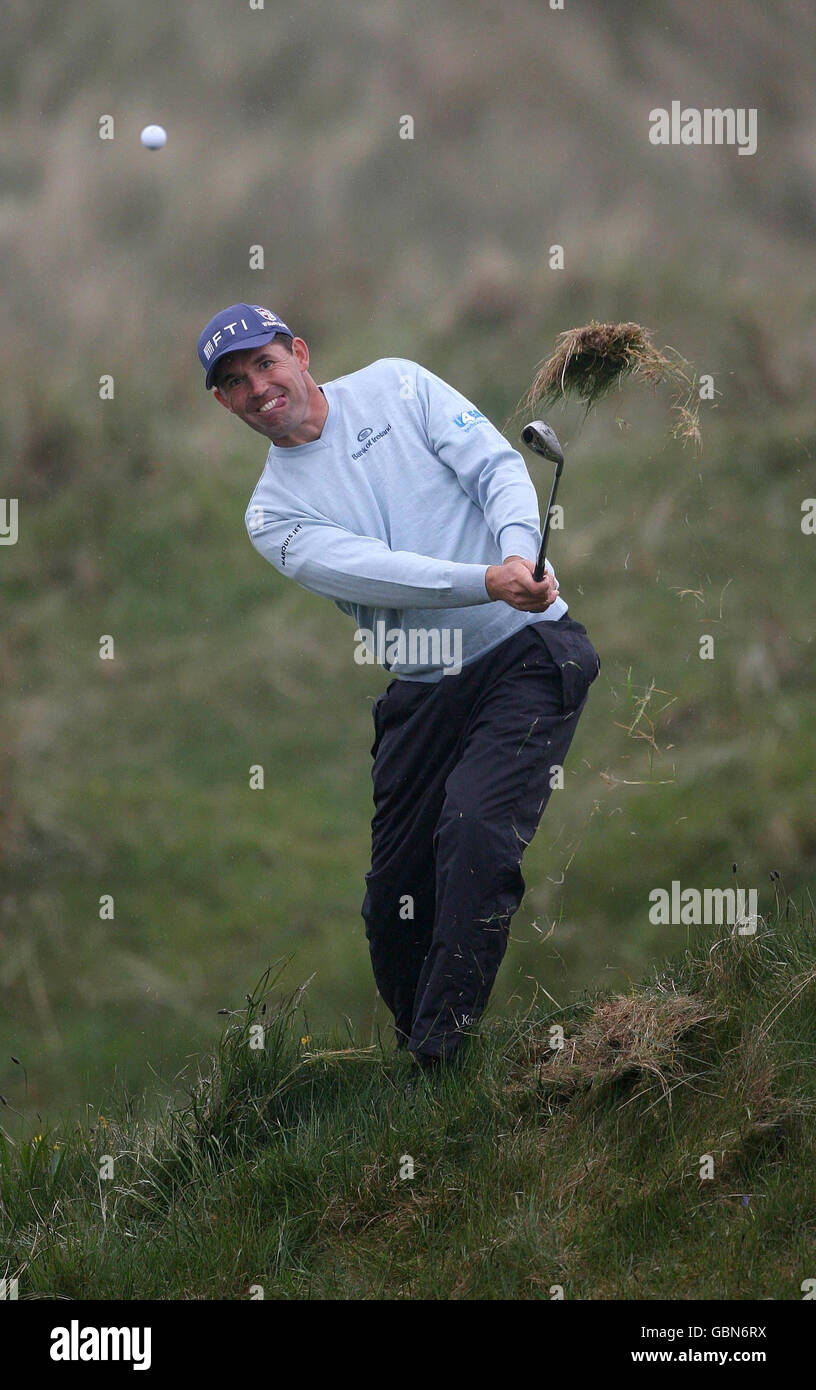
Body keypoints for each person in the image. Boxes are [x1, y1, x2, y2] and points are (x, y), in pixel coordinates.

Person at [197, 303, 600, 1069]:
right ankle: (424, 1059)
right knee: (393, 906)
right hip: (423, 689)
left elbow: (495, 466)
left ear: (300, 352)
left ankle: (441, 1058)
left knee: (475, 831)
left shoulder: (396, 387)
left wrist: (518, 552)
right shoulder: (272, 512)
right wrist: (486, 579)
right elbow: (377, 573)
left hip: (527, 654)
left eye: (264, 363)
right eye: (234, 382)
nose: (257, 387)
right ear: (224, 403)